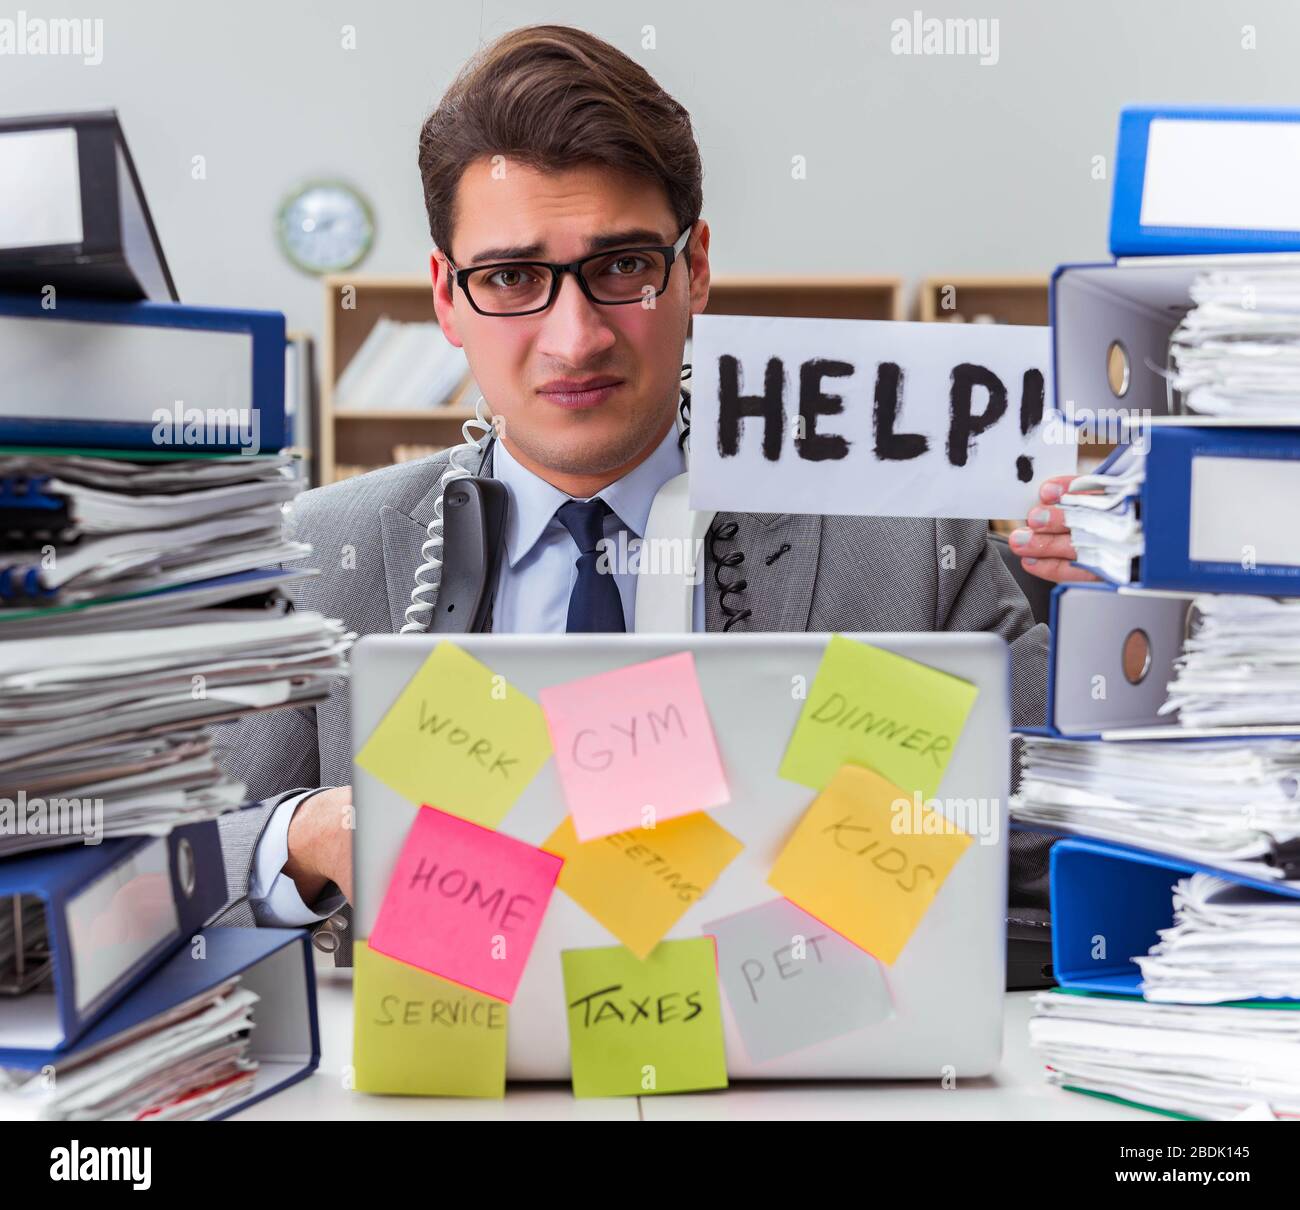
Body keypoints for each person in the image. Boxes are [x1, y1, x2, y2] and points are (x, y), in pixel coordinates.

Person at [209, 23, 1087, 939]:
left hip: (797, 1067)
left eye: (622, 266)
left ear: (694, 267)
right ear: (446, 297)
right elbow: (162, 879)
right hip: (444, 1070)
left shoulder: (904, 540)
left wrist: (1122, 620)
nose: (576, 337)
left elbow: (1067, 841)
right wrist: (306, 839)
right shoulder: (315, 557)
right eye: (512, 278)